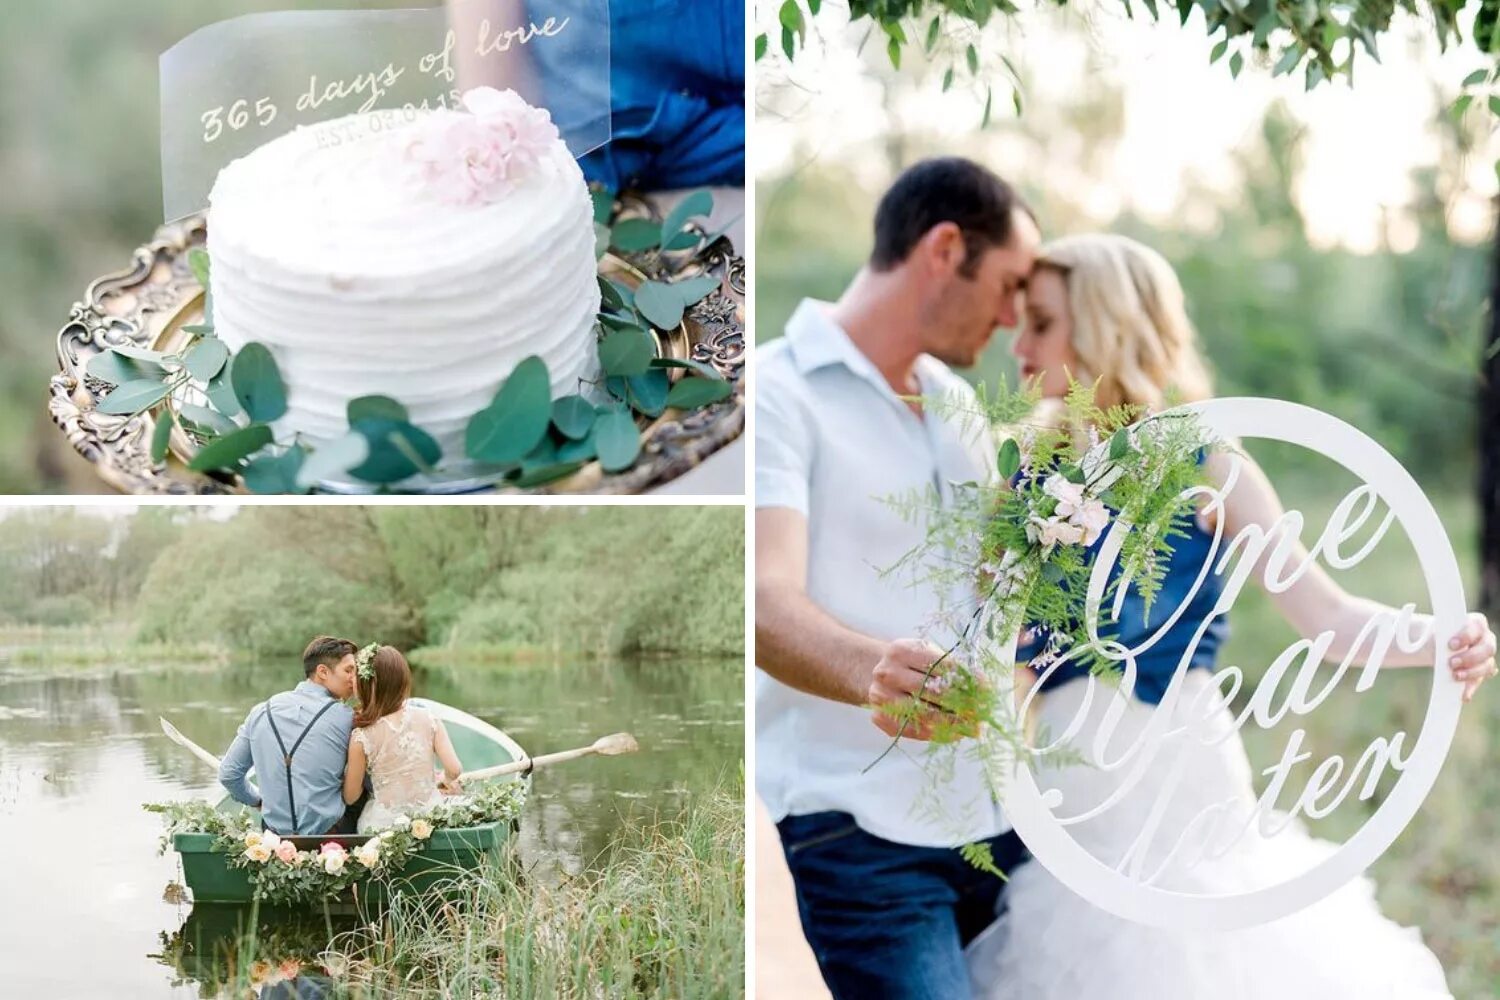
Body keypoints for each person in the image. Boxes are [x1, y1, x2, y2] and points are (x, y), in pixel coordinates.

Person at [965, 233, 1498, 999]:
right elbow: (991, 649)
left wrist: (1442, 640)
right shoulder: (1025, 473)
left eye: (1041, 322)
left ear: (1104, 325)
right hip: (1072, 788)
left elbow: (1328, 615)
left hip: (1185, 778)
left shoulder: (1208, 462)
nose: (1018, 344)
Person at [754, 156, 1042, 999]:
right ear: (946, 248)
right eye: (1011, 283)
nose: (1013, 317)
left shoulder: (961, 407)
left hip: (1005, 821)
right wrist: (868, 670)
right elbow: (764, 599)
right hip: (860, 832)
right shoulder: (777, 393)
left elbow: (1002, 594)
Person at [219, 636, 363, 836]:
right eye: (349, 670)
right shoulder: (348, 718)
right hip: (331, 837)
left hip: (273, 837)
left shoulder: (261, 711)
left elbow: (229, 775)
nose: (355, 679)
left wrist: (257, 801)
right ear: (322, 672)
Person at [342, 644, 465, 833]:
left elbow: (350, 796)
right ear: (402, 680)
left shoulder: (361, 737)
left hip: (384, 826)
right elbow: (455, 769)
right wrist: (446, 780)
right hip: (430, 819)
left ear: (366, 685)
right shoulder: (429, 718)